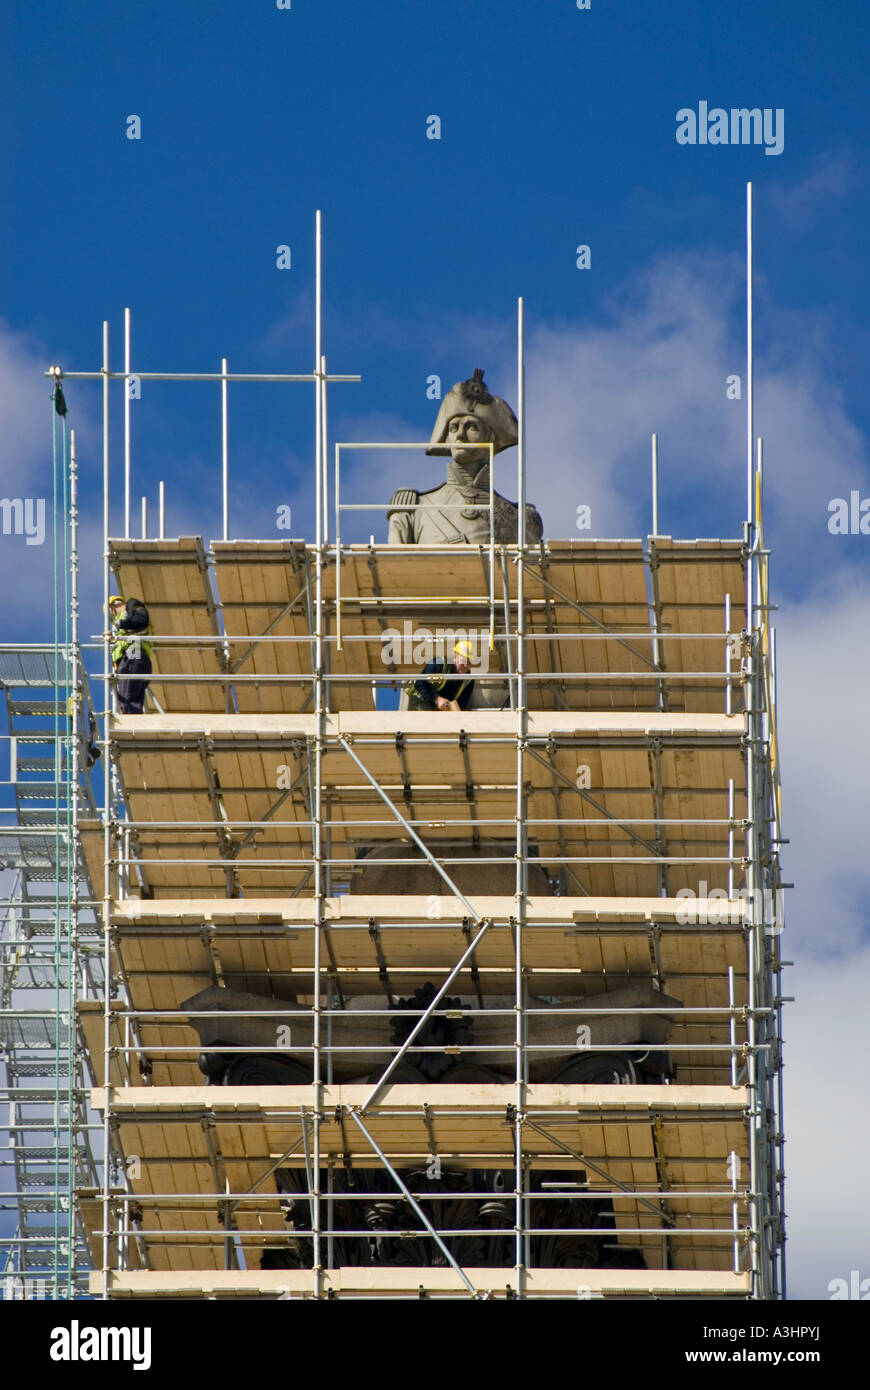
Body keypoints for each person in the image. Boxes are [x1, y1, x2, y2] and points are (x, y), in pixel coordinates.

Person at [387, 368, 543, 545]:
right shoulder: (413, 508)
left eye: (471, 427)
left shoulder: (520, 519)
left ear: (490, 437)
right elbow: (393, 568)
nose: (460, 435)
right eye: (453, 428)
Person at [110, 594, 153, 714]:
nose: (114, 611)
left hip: (134, 655)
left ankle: (132, 725)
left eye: (116, 605)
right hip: (132, 659)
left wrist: (122, 624)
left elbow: (142, 620)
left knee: (128, 699)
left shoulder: (131, 606)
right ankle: (134, 724)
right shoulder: (117, 631)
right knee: (130, 698)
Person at [408, 639, 475, 711]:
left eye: (469, 662)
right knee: (426, 717)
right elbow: (420, 683)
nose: (466, 665)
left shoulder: (469, 680)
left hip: (442, 709)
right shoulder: (439, 664)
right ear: (456, 656)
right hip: (421, 699)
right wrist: (437, 699)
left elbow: (462, 704)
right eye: (464, 660)